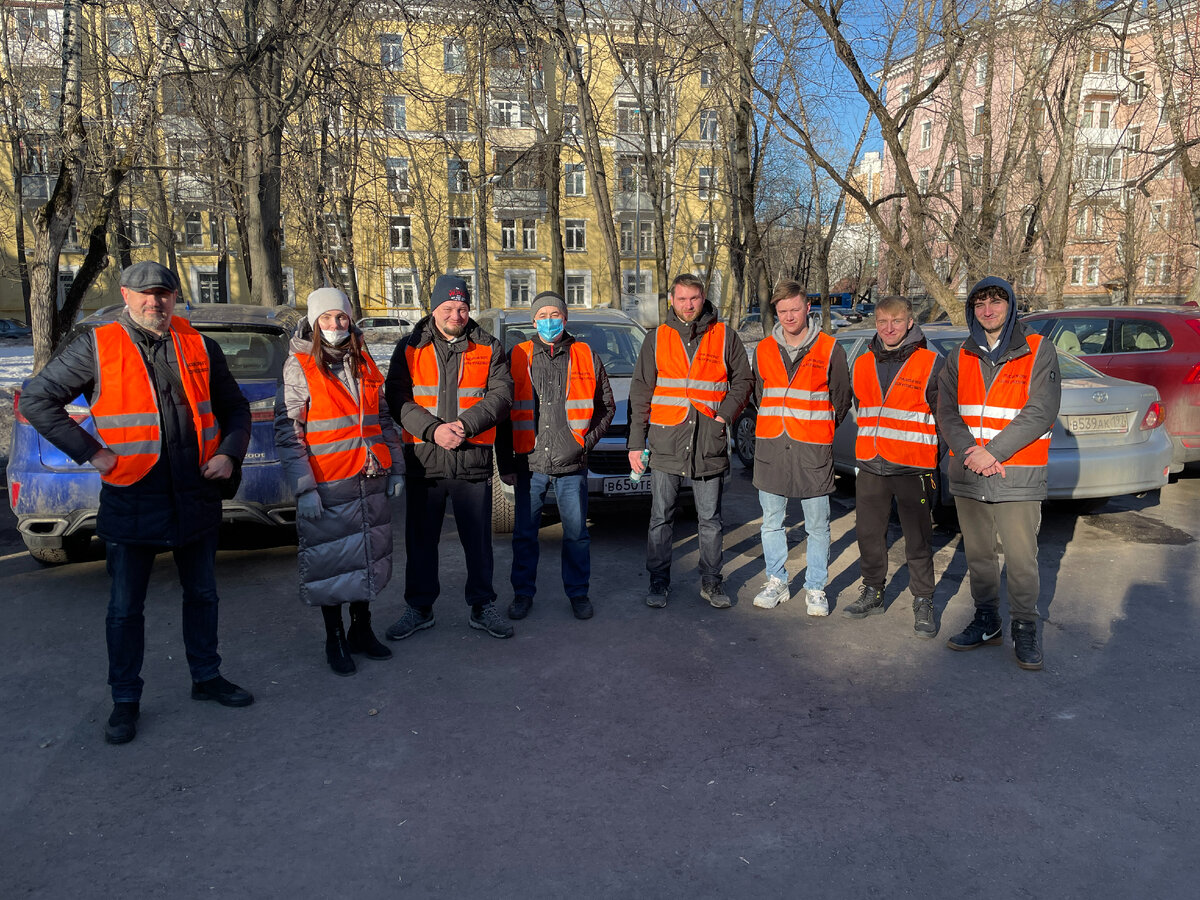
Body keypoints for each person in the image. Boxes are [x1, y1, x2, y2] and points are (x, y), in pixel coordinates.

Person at [20, 261, 254, 744]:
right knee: (125, 609)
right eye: (146, 294)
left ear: (175, 296)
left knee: (203, 595)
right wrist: (92, 452)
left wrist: (230, 454)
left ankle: (206, 677)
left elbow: (234, 408)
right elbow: (36, 399)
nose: (156, 302)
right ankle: (125, 700)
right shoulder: (96, 345)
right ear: (125, 295)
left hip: (194, 493)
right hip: (133, 496)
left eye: (164, 293)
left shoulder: (200, 344)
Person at [275, 288, 406, 675]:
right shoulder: (300, 365)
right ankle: (334, 638)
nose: (335, 325)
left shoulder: (363, 361)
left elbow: (382, 419)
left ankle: (361, 630)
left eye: (342, 318)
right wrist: (304, 488)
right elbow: (289, 431)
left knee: (365, 558)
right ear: (315, 323)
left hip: (368, 477)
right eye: (327, 318)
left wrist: (395, 467)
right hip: (327, 483)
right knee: (331, 563)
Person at [938, 276, 1061, 670]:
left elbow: (1040, 411)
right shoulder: (960, 355)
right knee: (979, 556)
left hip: (1016, 475)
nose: (987, 311)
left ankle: (1025, 628)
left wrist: (990, 453)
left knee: (1022, 561)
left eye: (996, 302)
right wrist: (971, 452)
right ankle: (987, 620)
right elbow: (947, 411)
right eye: (979, 305)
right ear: (972, 310)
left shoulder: (1039, 350)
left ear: (1010, 306)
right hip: (970, 474)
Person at [384, 274, 514, 639]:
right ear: (434, 309)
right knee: (421, 541)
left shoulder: (489, 346)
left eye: (462, 308)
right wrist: (433, 429)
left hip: (472, 460)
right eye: (448, 308)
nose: (456, 315)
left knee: (478, 542)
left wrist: (463, 426)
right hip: (425, 461)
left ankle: (482, 605)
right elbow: (397, 398)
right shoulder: (409, 347)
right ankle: (419, 608)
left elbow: (501, 396)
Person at [627, 273, 754, 609]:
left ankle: (712, 582)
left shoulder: (724, 335)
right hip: (666, 442)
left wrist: (724, 414)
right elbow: (641, 392)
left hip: (707, 442)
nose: (688, 305)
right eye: (681, 299)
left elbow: (744, 380)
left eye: (694, 298)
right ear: (672, 300)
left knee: (710, 520)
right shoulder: (656, 338)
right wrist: (635, 442)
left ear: (703, 298)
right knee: (660, 517)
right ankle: (658, 581)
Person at [496, 292, 615, 621]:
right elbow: (503, 413)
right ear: (534, 321)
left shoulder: (585, 354)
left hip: (571, 464)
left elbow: (606, 407)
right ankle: (522, 594)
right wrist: (505, 463)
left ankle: (578, 593)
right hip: (528, 464)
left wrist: (585, 443)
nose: (550, 321)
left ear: (565, 318)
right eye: (543, 315)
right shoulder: (516, 355)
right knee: (524, 535)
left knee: (576, 534)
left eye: (555, 314)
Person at [840, 295, 942, 637]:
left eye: (896, 321)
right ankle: (873, 591)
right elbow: (862, 407)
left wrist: (934, 461)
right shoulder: (863, 362)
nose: (889, 328)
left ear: (910, 322)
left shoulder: (931, 363)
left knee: (918, 538)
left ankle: (924, 600)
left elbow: (944, 418)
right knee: (868, 534)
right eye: (882, 321)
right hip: (871, 464)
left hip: (913, 468)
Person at [749, 281, 852, 616]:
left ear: (808, 308)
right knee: (771, 522)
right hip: (772, 447)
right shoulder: (763, 349)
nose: (789, 316)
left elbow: (840, 400)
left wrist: (817, 428)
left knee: (818, 524)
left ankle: (816, 586)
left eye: (794, 309)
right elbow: (758, 396)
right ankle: (776, 581)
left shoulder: (829, 349)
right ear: (776, 313)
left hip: (812, 450)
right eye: (782, 311)